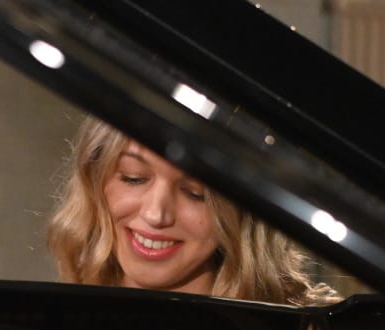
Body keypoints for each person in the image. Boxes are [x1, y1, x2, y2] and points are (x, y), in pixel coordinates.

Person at [47, 116, 335, 305]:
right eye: (133, 177)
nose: (156, 215)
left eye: (196, 193)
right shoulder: (51, 329)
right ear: (94, 179)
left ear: (240, 210)